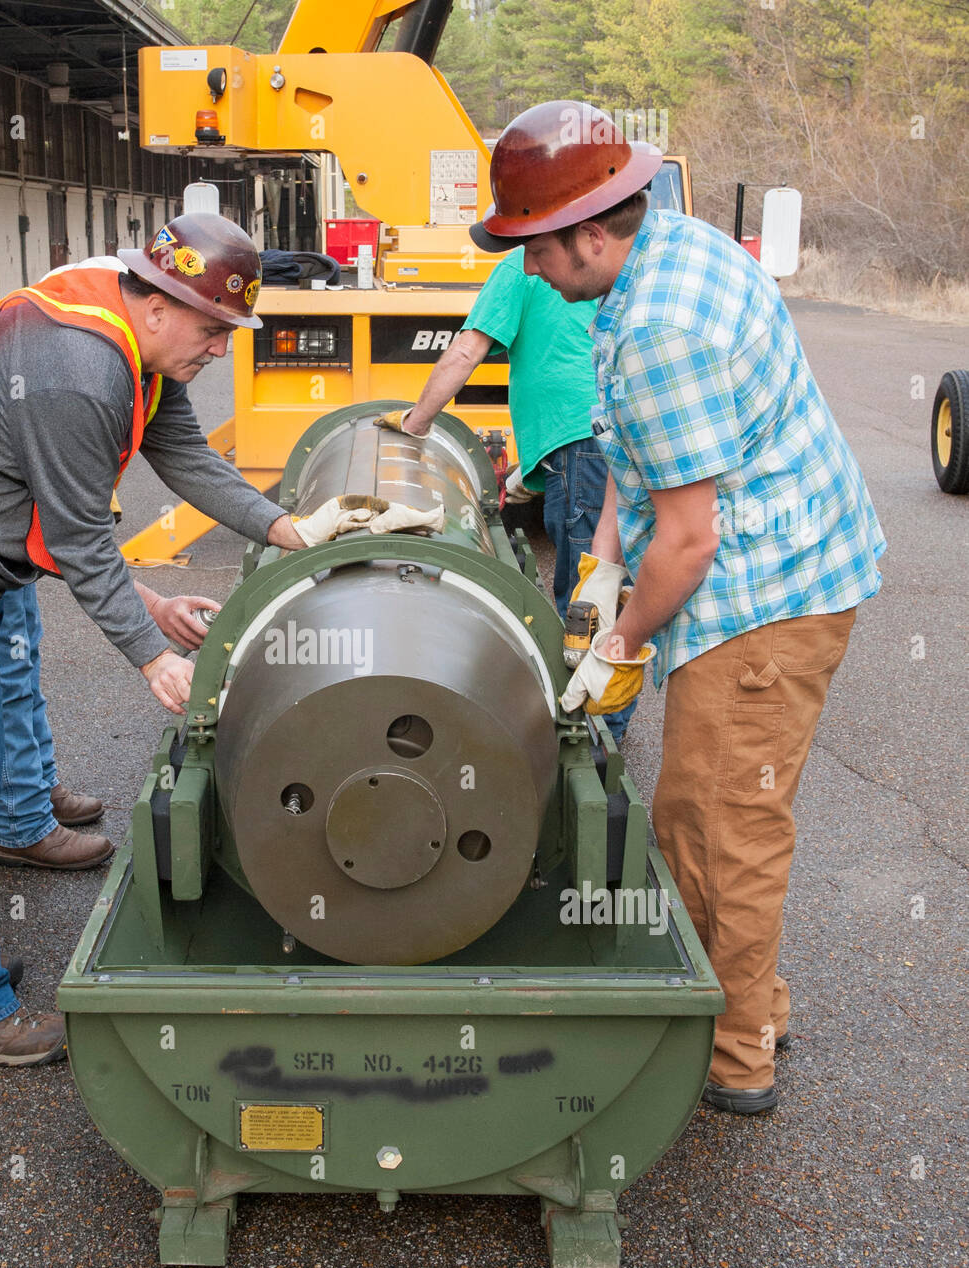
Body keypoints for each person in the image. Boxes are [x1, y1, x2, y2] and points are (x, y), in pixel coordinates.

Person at [471, 102, 885, 1114]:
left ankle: (735, 1057)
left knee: (717, 827)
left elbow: (692, 541)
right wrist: (603, 558)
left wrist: (621, 639)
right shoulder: (666, 252)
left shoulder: (659, 330)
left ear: (589, 233)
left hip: (765, 596)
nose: (528, 269)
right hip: (786, 554)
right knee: (703, 813)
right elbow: (637, 447)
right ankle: (758, 1006)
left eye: (535, 248)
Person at [0, 214, 305, 1066]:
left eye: (231, 330)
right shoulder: (81, 369)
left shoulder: (140, 353)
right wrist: (152, 653)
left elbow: (188, 460)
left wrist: (287, 530)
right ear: (157, 304)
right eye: (213, 328)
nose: (221, 348)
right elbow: (79, 537)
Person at [374, 243, 635, 743]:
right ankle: (607, 715)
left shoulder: (520, 266)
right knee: (611, 575)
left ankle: (596, 733)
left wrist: (416, 421)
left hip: (579, 438)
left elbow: (466, 350)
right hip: (602, 433)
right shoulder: (580, 262)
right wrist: (527, 475)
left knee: (586, 591)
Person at [0, 582, 115, 870]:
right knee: (7, 670)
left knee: (24, 652)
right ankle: (20, 822)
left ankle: (39, 787)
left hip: (11, 561)